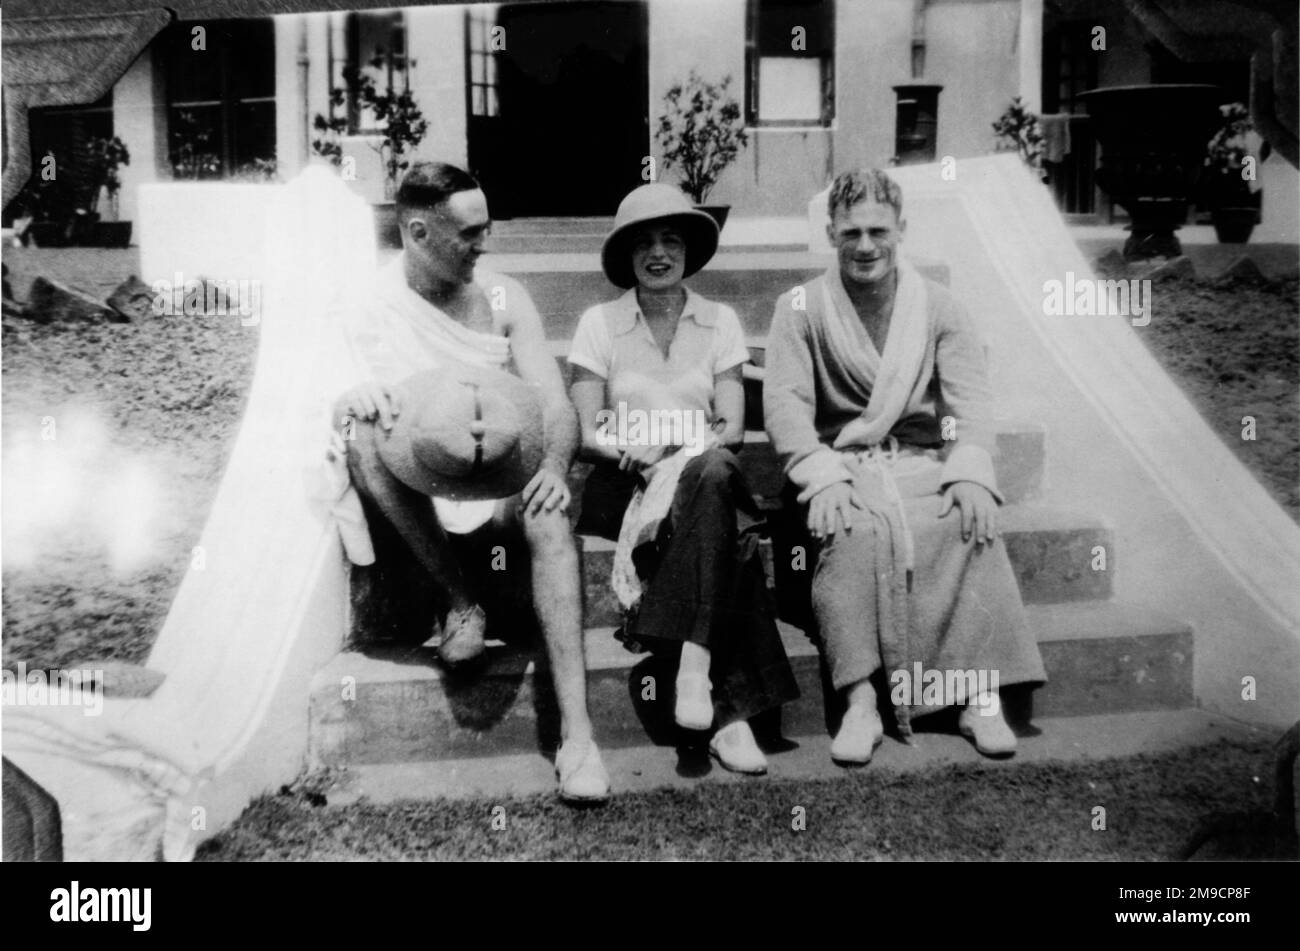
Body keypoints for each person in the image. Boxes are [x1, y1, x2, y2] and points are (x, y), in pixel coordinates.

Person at [330, 161, 610, 803]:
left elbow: (556, 405)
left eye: (488, 230)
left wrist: (552, 468)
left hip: (505, 478)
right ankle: (462, 603)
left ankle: (579, 738)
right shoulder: (370, 304)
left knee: (547, 513)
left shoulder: (505, 299)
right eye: (471, 234)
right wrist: (355, 391)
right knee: (364, 437)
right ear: (419, 232)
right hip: (418, 488)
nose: (486, 246)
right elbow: (329, 396)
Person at [763, 168, 1046, 763]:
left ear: (902, 231)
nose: (865, 246)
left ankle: (977, 694)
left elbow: (971, 405)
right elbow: (786, 409)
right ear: (830, 235)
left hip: (920, 463)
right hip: (841, 468)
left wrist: (969, 469)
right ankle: (861, 700)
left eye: (878, 231)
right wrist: (822, 476)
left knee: (969, 522)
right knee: (853, 530)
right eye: (851, 233)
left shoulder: (940, 307)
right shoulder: (801, 308)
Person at [567, 183, 799, 775]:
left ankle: (696, 672)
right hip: (625, 485)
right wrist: (635, 451)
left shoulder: (719, 321)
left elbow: (731, 428)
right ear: (626, 256)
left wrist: (679, 450)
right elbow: (587, 428)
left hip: (697, 474)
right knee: (729, 526)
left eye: (671, 239)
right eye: (644, 243)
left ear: (688, 251)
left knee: (715, 472)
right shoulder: (600, 323)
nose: (659, 253)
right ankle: (729, 713)